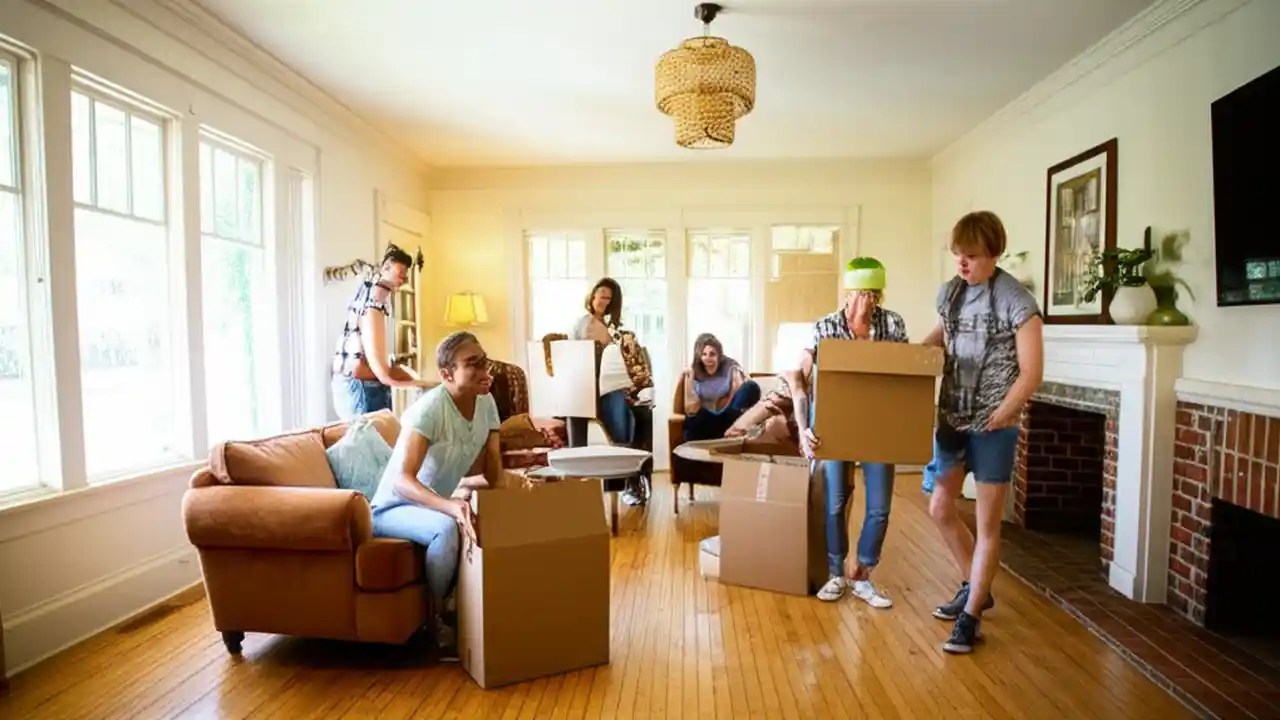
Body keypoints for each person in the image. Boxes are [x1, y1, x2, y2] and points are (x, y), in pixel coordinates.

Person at [922, 210, 1043, 654]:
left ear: (994, 253)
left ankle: (971, 617)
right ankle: (976, 585)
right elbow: (936, 339)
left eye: (970, 255)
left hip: (994, 425)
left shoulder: (1017, 301)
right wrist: (896, 362)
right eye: (958, 254)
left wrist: (1002, 412)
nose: (962, 263)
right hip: (952, 418)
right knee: (940, 507)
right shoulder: (951, 294)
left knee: (988, 524)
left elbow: (1031, 373)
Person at [367, 331, 501, 660]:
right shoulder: (429, 410)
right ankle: (436, 619)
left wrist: (513, 492)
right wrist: (451, 506)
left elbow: (494, 473)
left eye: (484, 360)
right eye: (472, 363)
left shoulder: (486, 402)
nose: (484, 368)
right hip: (392, 508)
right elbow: (402, 481)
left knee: (481, 518)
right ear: (446, 374)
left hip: (432, 504)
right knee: (446, 526)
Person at [786, 257, 908, 608]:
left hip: (879, 426)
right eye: (858, 293)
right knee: (835, 502)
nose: (864, 302)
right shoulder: (826, 327)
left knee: (879, 507)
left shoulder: (893, 324)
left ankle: (863, 574)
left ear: (879, 295)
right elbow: (800, 377)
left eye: (871, 294)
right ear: (846, 293)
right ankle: (836, 572)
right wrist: (804, 427)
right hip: (835, 425)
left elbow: (902, 376)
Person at [569, 277, 651, 506]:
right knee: (622, 422)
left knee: (643, 416)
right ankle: (627, 480)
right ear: (592, 295)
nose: (604, 299)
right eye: (601, 294)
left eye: (608, 297)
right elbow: (579, 359)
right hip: (589, 389)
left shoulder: (611, 328)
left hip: (612, 386)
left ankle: (636, 478)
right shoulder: (584, 324)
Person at [330, 244, 430, 419]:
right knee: (374, 445)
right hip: (362, 390)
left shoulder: (364, 298)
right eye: (400, 274)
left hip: (349, 385)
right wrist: (425, 386)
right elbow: (382, 374)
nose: (403, 279)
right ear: (386, 267)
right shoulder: (372, 307)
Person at [677, 333, 761, 441]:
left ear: (719, 356)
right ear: (699, 356)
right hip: (704, 420)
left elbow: (742, 393)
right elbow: (690, 409)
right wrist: (689, 380)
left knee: (751, 386)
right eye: (704, 354)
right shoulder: (693, 372)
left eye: (712, 354)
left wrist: (737, 378)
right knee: (695, 417)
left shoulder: (730, 366)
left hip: (728, 418)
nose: (708, 358)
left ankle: (733, 431)